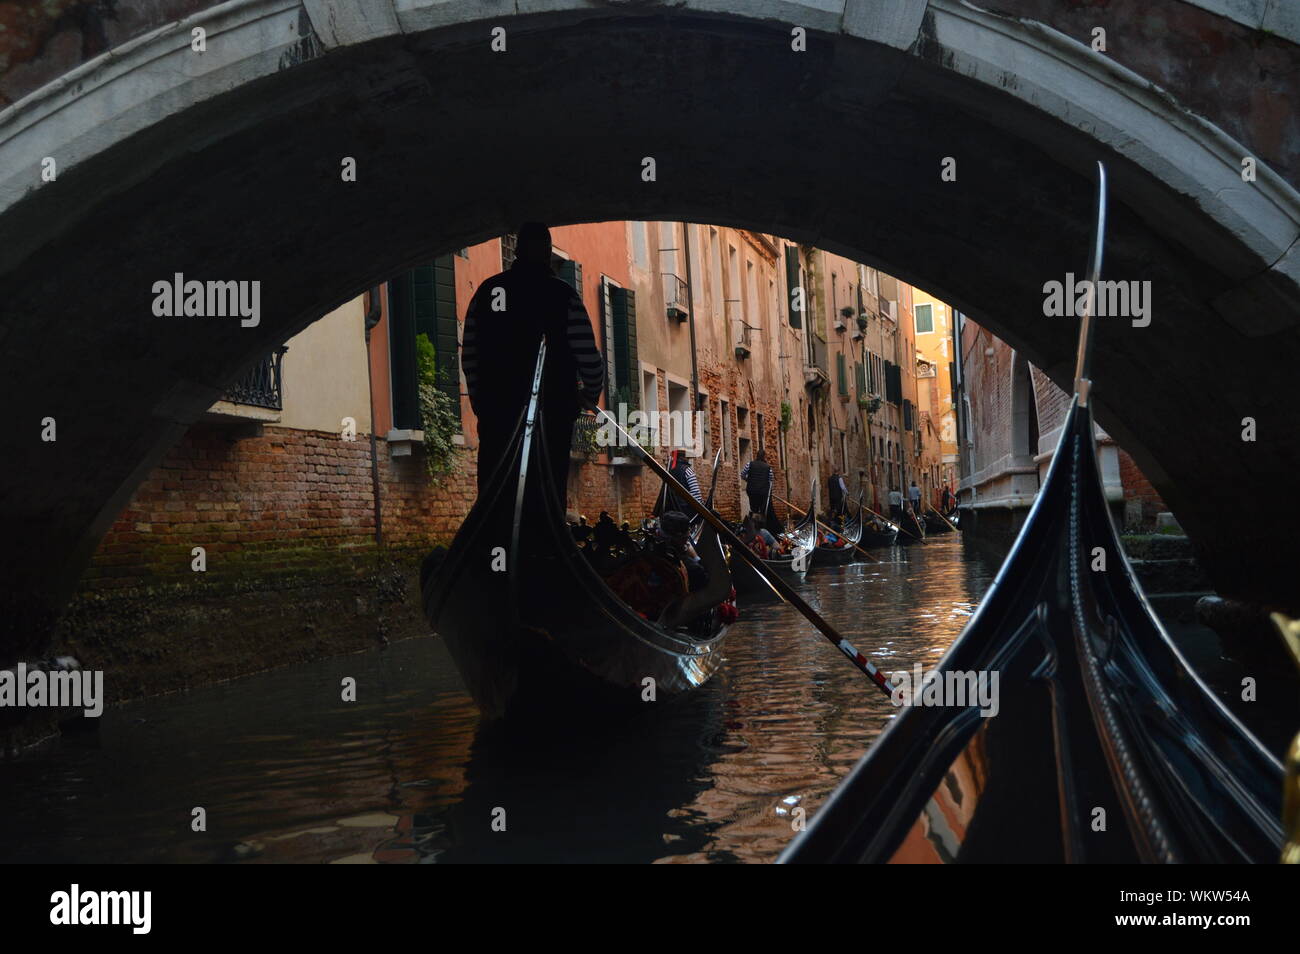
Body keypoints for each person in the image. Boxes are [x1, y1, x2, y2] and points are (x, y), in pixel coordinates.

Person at [461, 222, 605, 497]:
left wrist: (483, 406)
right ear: (548, 252)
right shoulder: (563, 296)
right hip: (552, 415)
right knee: (546, 494)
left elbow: (470, 357)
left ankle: (497, 539)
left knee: (497, 493)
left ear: (516, 251)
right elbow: (589, 358)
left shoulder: (489, 292)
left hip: (497, 416)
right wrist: (588, 394)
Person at [740, 451, 780, 531]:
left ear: (756, 456)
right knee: (762, 510)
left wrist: (749, 480)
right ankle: (762, 528)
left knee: (753, 508)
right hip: (763, 492)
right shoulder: (768, 467)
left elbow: (742, 474)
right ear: (764, 457)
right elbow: (771, 480)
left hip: (751, 491)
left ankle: (752, 528)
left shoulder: (749, 464)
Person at [665, 448, 703, 514]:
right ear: (683, 458)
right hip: (686, 511)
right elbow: (696, 495)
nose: (688, 460)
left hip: (671, 510)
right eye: (687, 458)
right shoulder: (687, 470)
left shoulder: (669, 470)